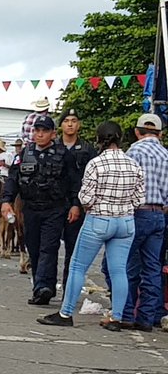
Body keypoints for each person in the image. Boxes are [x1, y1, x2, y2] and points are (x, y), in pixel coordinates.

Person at [37, 121, 141, 328]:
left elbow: (85, 198)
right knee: (119, 270)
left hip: (99, 219)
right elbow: (139, 199)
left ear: (98, 139)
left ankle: (65, 314)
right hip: (125, 222)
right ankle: (116, 317)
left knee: (77, 267)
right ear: (120, 138)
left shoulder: (96, 164)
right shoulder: (133, 164)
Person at [0, 114, 82, 306]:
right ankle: (41, 286)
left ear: (53, 134)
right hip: (30, 209)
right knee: (34, 248)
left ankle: (43, 288)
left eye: (45, 131)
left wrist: (75, 204)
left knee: (48, 247)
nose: (40, 134)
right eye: (37, 130)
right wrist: (6, 201)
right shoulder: (24, 154)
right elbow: (13, 179)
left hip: (55, 209)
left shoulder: (64, 154)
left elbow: (74, 182)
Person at [120, 113, 168, 331]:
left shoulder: (134, 152)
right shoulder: (166, 155)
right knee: (152, 267)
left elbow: (127, 185)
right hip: (159, 214)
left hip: (137, 213)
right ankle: (147, 318)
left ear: (137, 132)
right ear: (161, 134)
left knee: (128, 265)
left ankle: (126, 314)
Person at [56, 108, 98, 291]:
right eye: (66, 121)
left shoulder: (88, 150)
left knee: (73, 250)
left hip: (78, 205)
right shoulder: (53, 146)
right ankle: (44, 287)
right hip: (53, 204)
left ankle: (69, 288)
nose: (70, 124)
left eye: (74, 121)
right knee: (47, 248)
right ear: (61, 125)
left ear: (79, 124)